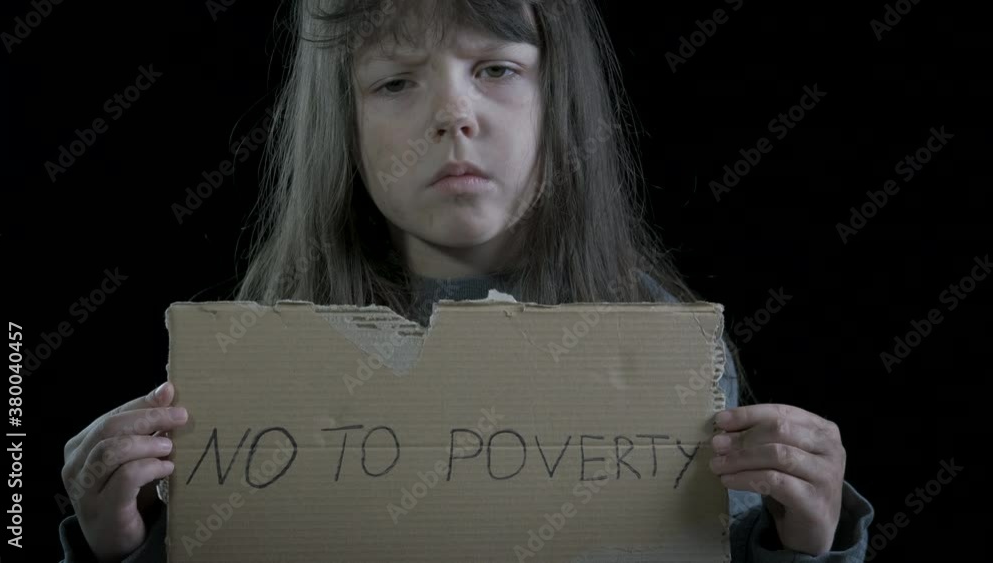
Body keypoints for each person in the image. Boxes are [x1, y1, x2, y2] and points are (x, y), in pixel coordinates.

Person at [59, 0, 874, 561]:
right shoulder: (253, 364)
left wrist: (807, 539)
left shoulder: (662, 354)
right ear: (344, 124)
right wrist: (120, 541)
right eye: (395, 82)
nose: (454, 114)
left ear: (558, 101)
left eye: (495, 68)